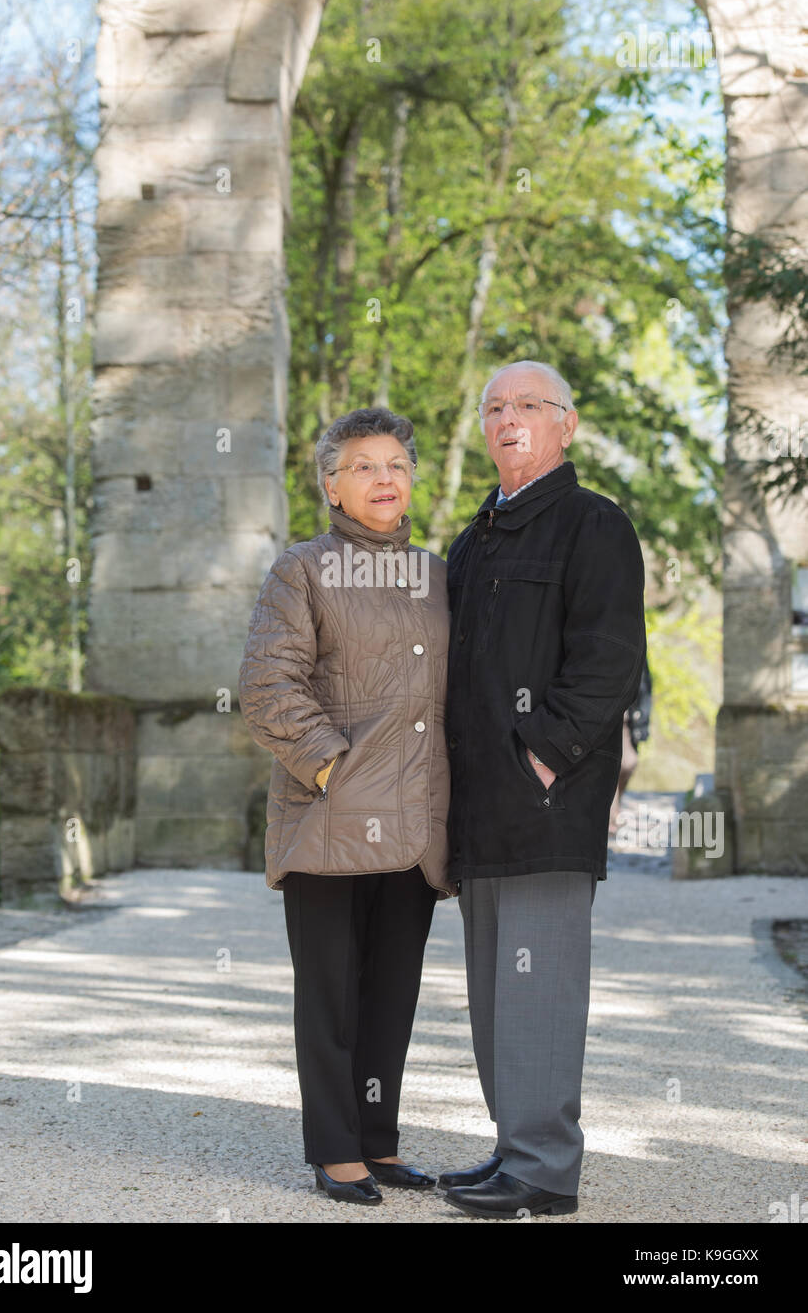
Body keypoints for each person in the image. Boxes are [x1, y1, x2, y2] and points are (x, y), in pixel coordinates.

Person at [439, 360, 646, 1218]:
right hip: (474, 807)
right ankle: (511, 1148)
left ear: (566, 425)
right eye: (493, 407)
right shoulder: (473, 537)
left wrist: (544, 758)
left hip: (546, 803)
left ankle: (544, 1170)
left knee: (539, 988)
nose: (508, 418)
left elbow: (607, 663)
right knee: (494, 992)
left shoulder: (593, 526)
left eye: (528, 405)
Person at [238, 407, 456, 1207]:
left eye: (396, 463)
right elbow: (267, 688)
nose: (384, 478)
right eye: (363, 465)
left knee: (390, 994)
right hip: (328, 821)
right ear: (330, 483)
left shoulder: (438, 575)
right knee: (329, 994)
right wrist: (334, 772)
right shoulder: (300, 571)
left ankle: (377, 1140)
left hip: (413, 829)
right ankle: (334, 1150)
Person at [609, 655, 652, 835]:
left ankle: (613, 809)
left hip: (626, 718)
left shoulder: (632, 641)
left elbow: (645, 684)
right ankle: (611, 816)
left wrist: (642, 722)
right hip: (602, 715)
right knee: (610, 766)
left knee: (628, 763)